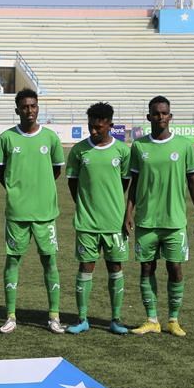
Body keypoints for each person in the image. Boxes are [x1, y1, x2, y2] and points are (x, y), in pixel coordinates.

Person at [125, 95, 194, 337]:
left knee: (175, 268)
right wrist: (128, 213)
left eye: (164, 113)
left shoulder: (184, 146)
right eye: (156, 113)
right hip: (146, 221)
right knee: (146, 268)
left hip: (174, 221)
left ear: (170, 116)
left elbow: (193, 180)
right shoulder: (139, 146)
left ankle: (173, 319)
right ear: (148, 117)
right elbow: (134, 183)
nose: (160, 117)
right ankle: (152, 320)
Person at [0, 88, 65, 334]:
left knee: (50, 262)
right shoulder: (6, 138)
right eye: (24, 106)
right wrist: (17, 192)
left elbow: (56, 170)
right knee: (12, 261)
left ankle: (54, 316)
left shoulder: (51, 138)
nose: (29, 110)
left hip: (45, 213)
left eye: (33, 106)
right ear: (17, 110)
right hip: (17, 213)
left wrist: (40, 191)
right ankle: (10, 316)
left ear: (38, 108)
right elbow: (1, 173)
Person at [66, 102, 132, 335]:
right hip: (87, 222)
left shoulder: (122, 151)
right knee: (85, 267)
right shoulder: (79, 150)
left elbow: (125, 182)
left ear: (110, 125)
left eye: (98, 127)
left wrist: (117, 208)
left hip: (114, 222)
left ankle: (116, 319)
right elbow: (72, 182)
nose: (93, 131)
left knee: (115, 267)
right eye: (91, 126)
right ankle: (82, 318)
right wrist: (84, 205)